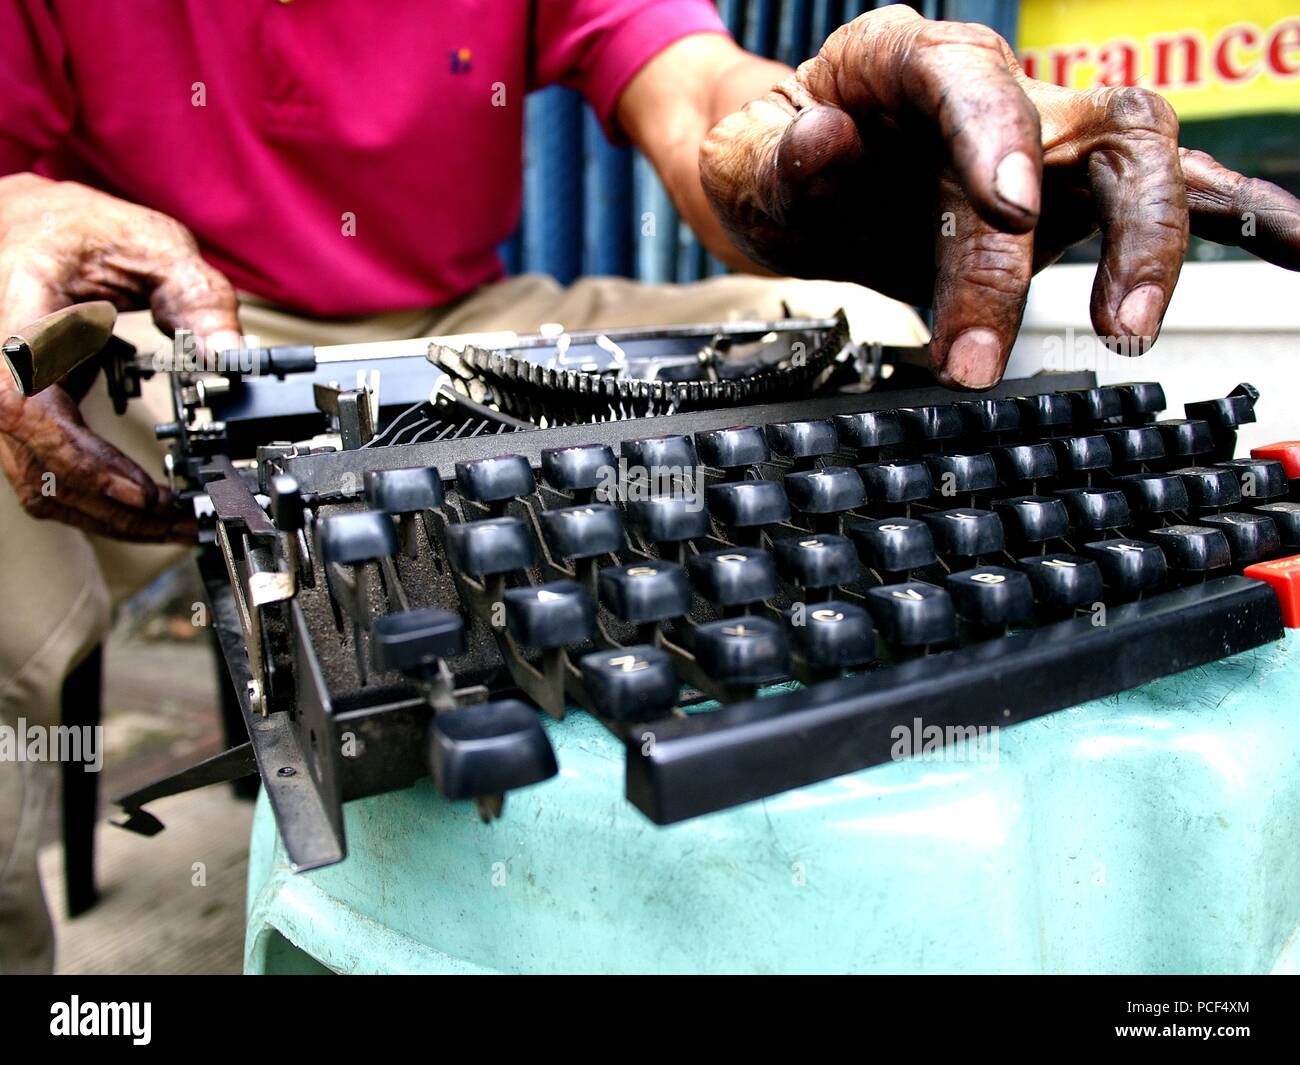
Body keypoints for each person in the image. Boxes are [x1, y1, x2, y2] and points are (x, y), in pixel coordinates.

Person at [1, 2, 1296, 974]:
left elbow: (697, 99)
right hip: (185, 320)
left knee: (850, 322)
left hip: (472, 317)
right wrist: (18, 210)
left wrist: (799, 158)